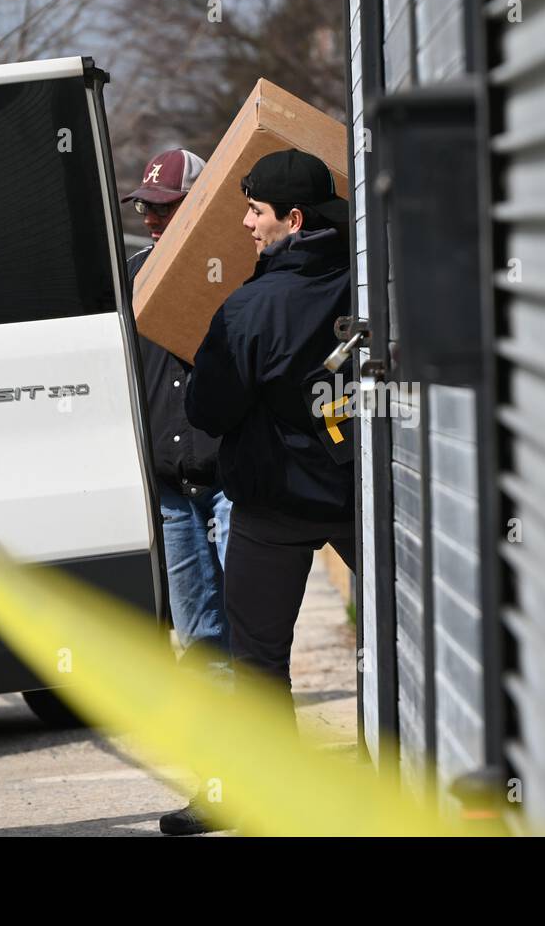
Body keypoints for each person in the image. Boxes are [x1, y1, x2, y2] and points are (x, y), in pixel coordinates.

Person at [186, 148, 356, 729]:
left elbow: (207, 408)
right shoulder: (370, 284)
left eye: (256, 210)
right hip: (360, 497)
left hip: (273, 506)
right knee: (401, 635)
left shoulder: (251, 309)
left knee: (257, 664)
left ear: (295, 220)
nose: (246, 223)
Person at [121, 148, 233, 669]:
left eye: (164, 206)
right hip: (170, 489)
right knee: (195, 638)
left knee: (252, 624)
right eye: (145, 206)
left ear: (197, 205)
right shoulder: (130, 279)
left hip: (231, 479)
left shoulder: (234, 272)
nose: (150, 217)